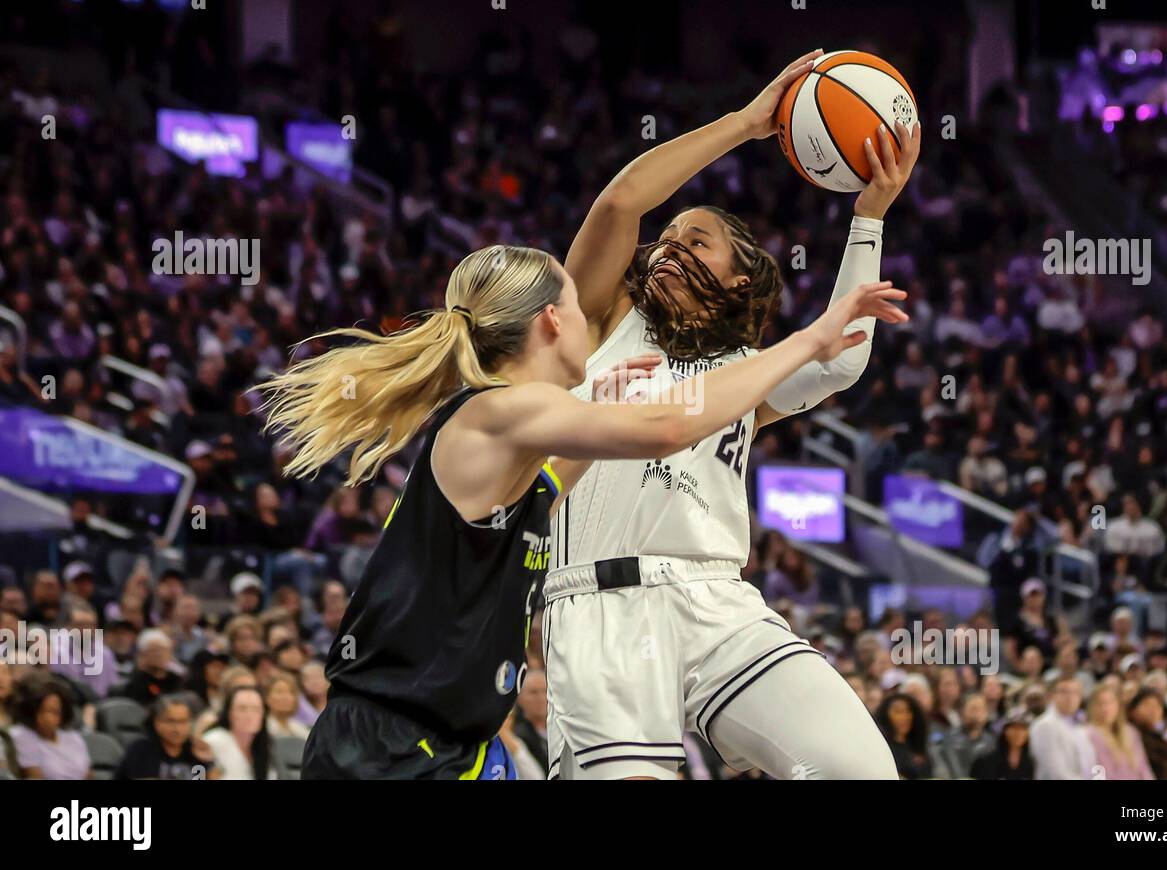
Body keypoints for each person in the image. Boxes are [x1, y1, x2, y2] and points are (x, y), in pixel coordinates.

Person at [255, 244, 901, 779]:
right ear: (553, 321)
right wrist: (808, 340)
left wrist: (605, 416)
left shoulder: (515, 431)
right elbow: (669, 425)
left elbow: (552, 484)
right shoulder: (499, 409)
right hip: (389, 749)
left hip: (452, 745)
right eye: (577, 301)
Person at [544, 49, 918, 780]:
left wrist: (868, 218)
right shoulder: (602, 320)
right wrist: (747, 123)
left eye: (697, 240)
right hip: (600, 604)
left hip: (720, 602)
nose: (671, 248)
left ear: (739, 274)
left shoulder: (745, 377)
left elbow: (840, 360)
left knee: (861, 771)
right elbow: (622, 204)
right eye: (668, 240)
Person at [7, 673, 91, 780]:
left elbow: (89, 775)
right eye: (42, 711)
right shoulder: (20, 735)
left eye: (54, 712)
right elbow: (34, 777)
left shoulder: (74, 738)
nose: (45, 718)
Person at [116, 694, 215, 780]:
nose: (177, 729)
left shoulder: (195, 750)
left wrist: (210, 763)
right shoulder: (141, 749)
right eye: (170, 721)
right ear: (156, 722)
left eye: (183, 721)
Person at [203, 685, 281, 780]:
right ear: (229, 713)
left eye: (256, 709)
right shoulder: (213, 741)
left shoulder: (266, 745)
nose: (249, 715)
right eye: (242, 708)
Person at [1029, 676, 1096, 780]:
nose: (1070, 697)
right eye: (1064, 692)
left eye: (1075, 692)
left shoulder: (1082, 725)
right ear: (1051, 695)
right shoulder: (1044, 726)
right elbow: (1056, 774)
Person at [1084, 685, 1154, 780]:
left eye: (1110, 702)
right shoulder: (1088, 734)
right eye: (1100, 703)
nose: (1106, 708)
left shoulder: (1131, 732)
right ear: (1092, 707)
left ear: (1118, 705)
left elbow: (1144, 768)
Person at [970, 707, 1035, 780]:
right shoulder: (986, 760)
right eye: (1013, 727)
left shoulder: (1030, 763)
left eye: (1023, 728)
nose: (1018, 733)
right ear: (1004, 730)